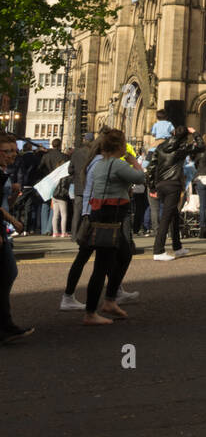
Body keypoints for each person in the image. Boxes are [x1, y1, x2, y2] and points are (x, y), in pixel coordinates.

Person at [82, 129, 142, 326]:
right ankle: (91, 313)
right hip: (110, 217)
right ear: (120, 146)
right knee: (102, 265)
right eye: (124, 142)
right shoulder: (116, 164)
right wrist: (134, 162)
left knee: (124, 255)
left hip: (105, 216)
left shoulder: (101, 164)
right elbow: (141, 178)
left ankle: (109, 301)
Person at [152, 123, 204, 262]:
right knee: (166, 218)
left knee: (174, 215)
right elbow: (201, 146)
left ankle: (177, 247)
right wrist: (195, 132)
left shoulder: (160, 147)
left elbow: (152, 166)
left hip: (161, 184)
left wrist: (152, 187)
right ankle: (158, 250)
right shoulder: (182, 148)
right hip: (173, 184)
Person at [0, 130, 34, 344]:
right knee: (7, 274)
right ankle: (6, 326)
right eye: (6, 151)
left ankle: (6, 325)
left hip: (4, 230)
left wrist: (12, 195)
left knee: (6, 277)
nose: (12, 154)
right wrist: (13, 221)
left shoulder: (5, 171)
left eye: (14, 150)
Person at [69, 132, 98, 238]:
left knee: (77, 212)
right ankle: (87, 235)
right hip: (91, 187)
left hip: (79, 187)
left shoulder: (76, 153)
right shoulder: (94, 154)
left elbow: (70, 170)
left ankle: (74, 235)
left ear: (84, 140)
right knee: (90, 212)